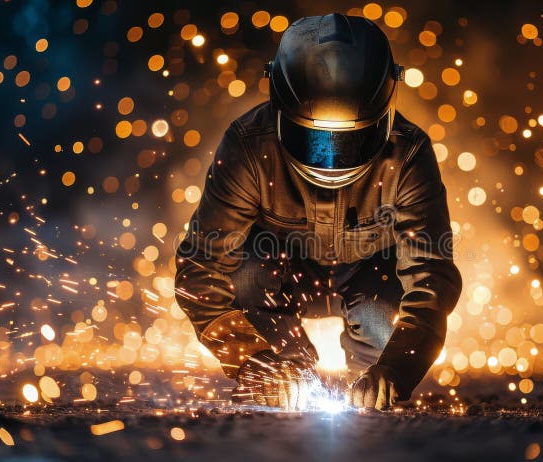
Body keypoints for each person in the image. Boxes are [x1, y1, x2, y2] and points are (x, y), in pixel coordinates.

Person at [175, 13, 462, 410]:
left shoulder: (408, 154)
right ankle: (287, 372)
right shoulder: (248, 147)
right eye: (311, 139)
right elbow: (200, 269)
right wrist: (251, 360)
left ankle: (368, 378)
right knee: (246, 275)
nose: (330, 162)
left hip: (370, 278)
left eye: (352, 142)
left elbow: (432, 280)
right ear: (280, 111)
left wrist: (395, 370)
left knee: (376, 352)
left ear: (385, 114)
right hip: (278, 278)